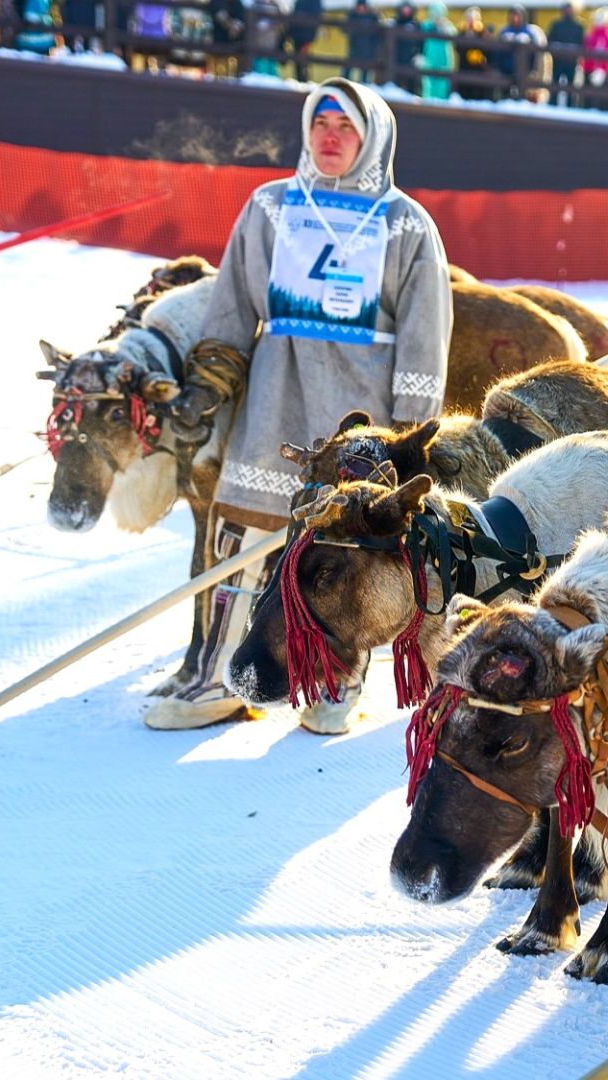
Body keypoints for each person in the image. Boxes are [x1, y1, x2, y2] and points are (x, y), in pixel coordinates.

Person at [147, 78, 451, 733]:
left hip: (360, 428)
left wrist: (403, 439)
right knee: (242, 541)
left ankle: (332, 683)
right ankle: (219, 678)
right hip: (274, 408)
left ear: (373, 137)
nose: (331, 135)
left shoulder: (406, 224)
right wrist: (204, 389)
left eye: (347, 125)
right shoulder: (270, 208)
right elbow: (231, 308)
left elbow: (424, 341)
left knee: (344, 561)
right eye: (322, 122)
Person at [495, 5, 538, 100]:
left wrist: (533, 69)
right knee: (505, 94)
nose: (515, 18)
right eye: (513, 15)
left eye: (518, 15)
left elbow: (534, 53)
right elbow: (497, 51)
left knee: (522, 94)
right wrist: (497, 67)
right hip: (506, 69)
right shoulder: (504, 32)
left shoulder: (529, 33)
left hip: (523, 70)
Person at [546, 2, 584, 105]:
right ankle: (552, 104)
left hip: (571, 61)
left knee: (571, 85)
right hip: (558, 60)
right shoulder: (556, 25)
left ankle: (570, 106)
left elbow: (581, 42)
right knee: (555, 83)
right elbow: (550, 40)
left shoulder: (578, 26)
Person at [417, 1, 456, 100]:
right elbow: (420, 41)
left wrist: (443, 28)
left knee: (442, 87)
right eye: (434, 12)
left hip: (444, 63)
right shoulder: (426, 26)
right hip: (429, 61)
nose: (436, 15)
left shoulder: (448, 27)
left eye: (439, 12)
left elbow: (453, 36)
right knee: (428, 86)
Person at [457, 7, 494, 101]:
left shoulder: (482, 33)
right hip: (465, 67)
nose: (471, 22)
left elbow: (488, 50)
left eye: (473, 19)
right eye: (469, 19)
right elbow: (458, 48)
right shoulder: (462, 33)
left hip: (479, 68)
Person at [581, 7, 608, 105]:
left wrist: (600, 69)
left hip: (598, 70)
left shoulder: (606, 35)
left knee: (598, 97)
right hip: (588, 67)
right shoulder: (592, 33)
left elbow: (605, 52)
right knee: (587, 95)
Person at [343, 0, 384, 83]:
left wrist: (375, 47)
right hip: (354, 48)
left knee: (365, 74)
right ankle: (344, 84)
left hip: (368, 50)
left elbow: (379, 32)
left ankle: (365, 86)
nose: (361, 9)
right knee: (347, 70)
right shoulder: (352, 15)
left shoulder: (373, 16)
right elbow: (345, 29)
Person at [390, 2, 422, 93]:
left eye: (408, 8)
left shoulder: (416, 24)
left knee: (411, 83)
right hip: (397, 58)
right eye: (404, 8)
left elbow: (420, 41)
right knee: (396, 83)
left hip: (411, 58)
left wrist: (419, 55)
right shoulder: (396, 23)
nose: (406, 11)